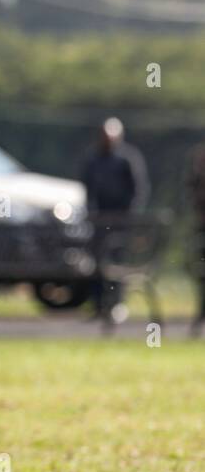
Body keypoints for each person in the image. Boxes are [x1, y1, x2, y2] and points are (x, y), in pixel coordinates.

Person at [79, 117, 149, 321]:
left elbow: (138, 189)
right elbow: (87, 187)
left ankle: (116, 303)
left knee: (118, 262)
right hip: (99, 220)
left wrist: (129, 215)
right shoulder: (93, 158)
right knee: (98, 263)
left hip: (120, 221)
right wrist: (90, 212)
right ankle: (98, 304)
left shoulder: (127, 158)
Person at [186, 143, 205, 335]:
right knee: (201, 273)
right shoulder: (200, 160)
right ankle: (201, 311)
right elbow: (192, 190)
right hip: (202, 227)